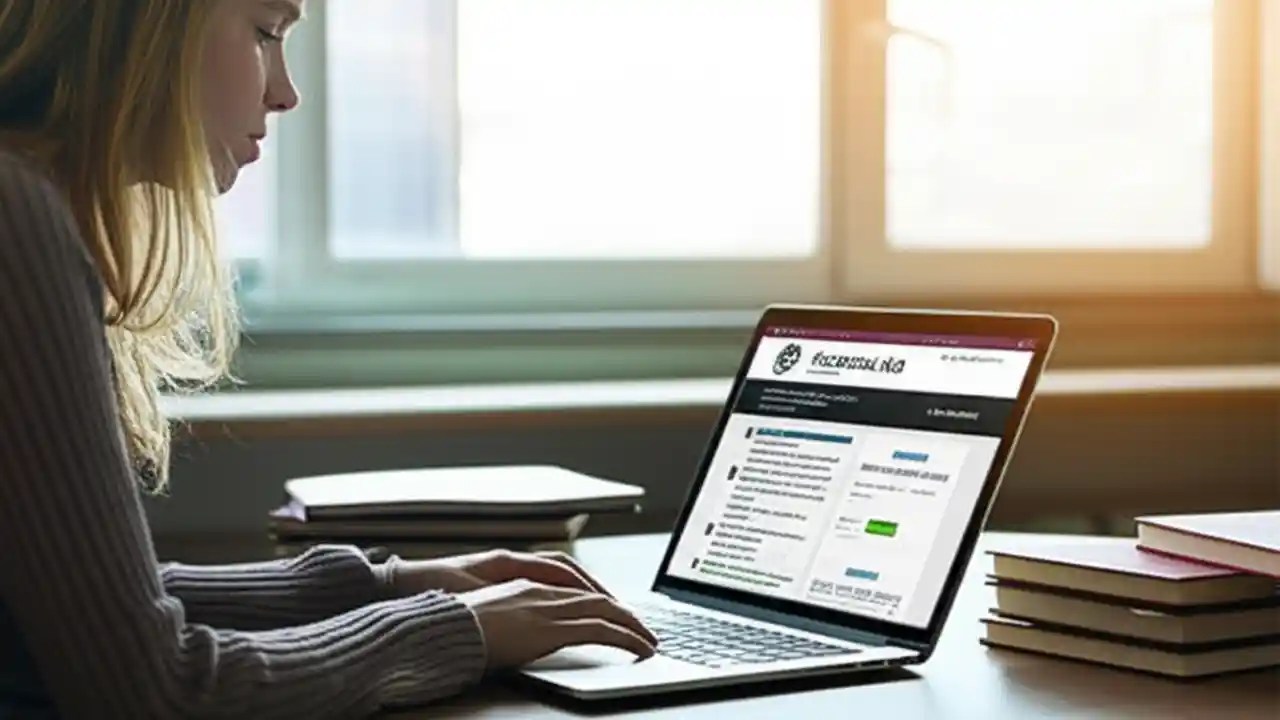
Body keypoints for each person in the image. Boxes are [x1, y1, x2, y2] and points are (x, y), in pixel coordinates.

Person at [0, 1, 657, 717]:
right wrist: (453, 630)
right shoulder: (14, 216)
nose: (284, 92)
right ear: (145, 23)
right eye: (264, 34)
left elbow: (59, 615)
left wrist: (390, 584)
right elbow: (155, 687)